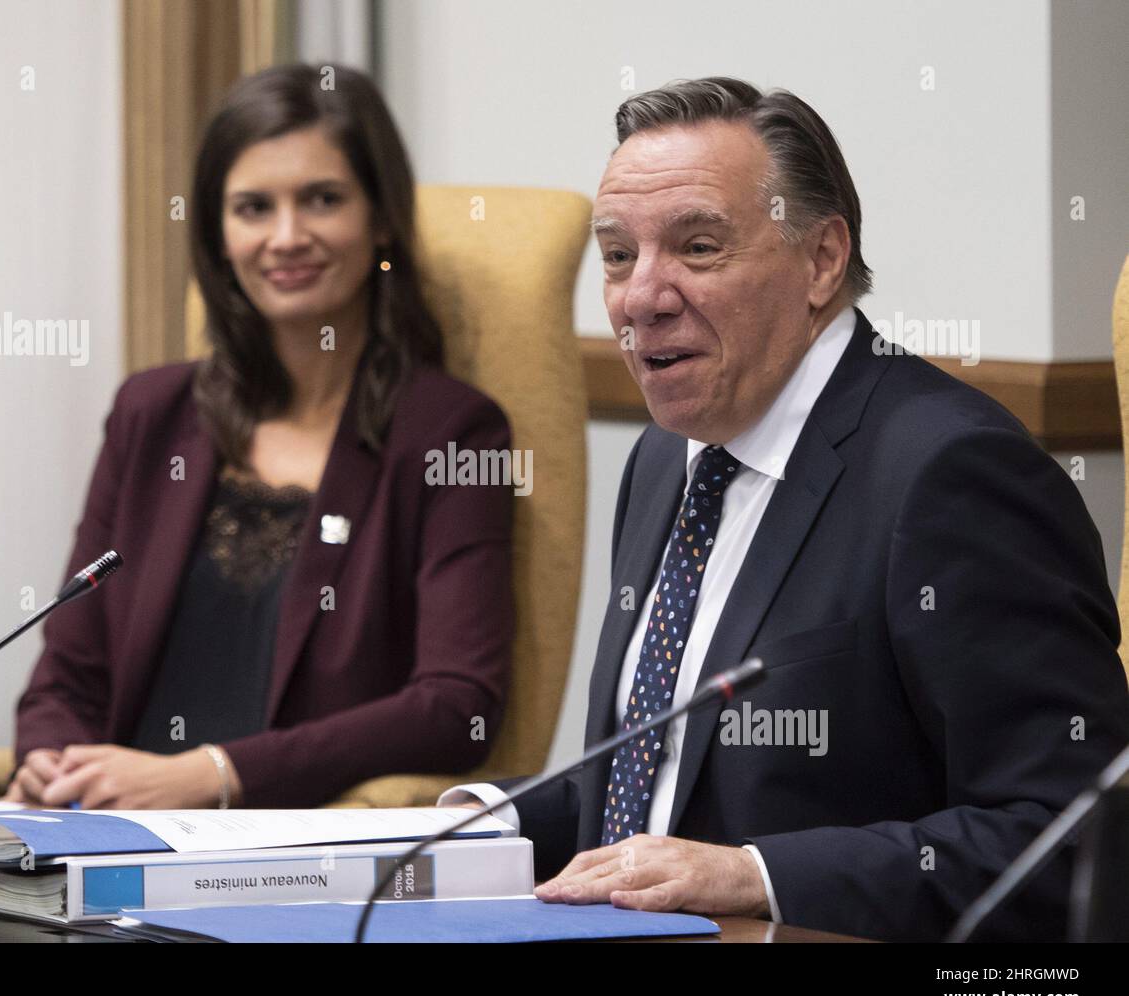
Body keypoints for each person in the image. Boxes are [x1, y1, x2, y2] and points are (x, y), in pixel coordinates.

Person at [443, 76, 1129, 941]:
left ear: (822, 260)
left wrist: (754, 874)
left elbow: (1067, 838)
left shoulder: (951, 472)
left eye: (697, 247)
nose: (640, 299)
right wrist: (479, 823)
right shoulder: (667, 456)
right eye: (618, 256)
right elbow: (657, 786)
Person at [8, 64, 514, 810]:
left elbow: (458, 705)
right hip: (106, 837)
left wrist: (210, 773)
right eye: (252, 207)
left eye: (322, 199)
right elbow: (68, 674)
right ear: (219, 232)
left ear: (381, 219)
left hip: (286, 856)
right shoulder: (149, 414)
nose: (286, 237)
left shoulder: (453, 432)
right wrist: (50, 763)